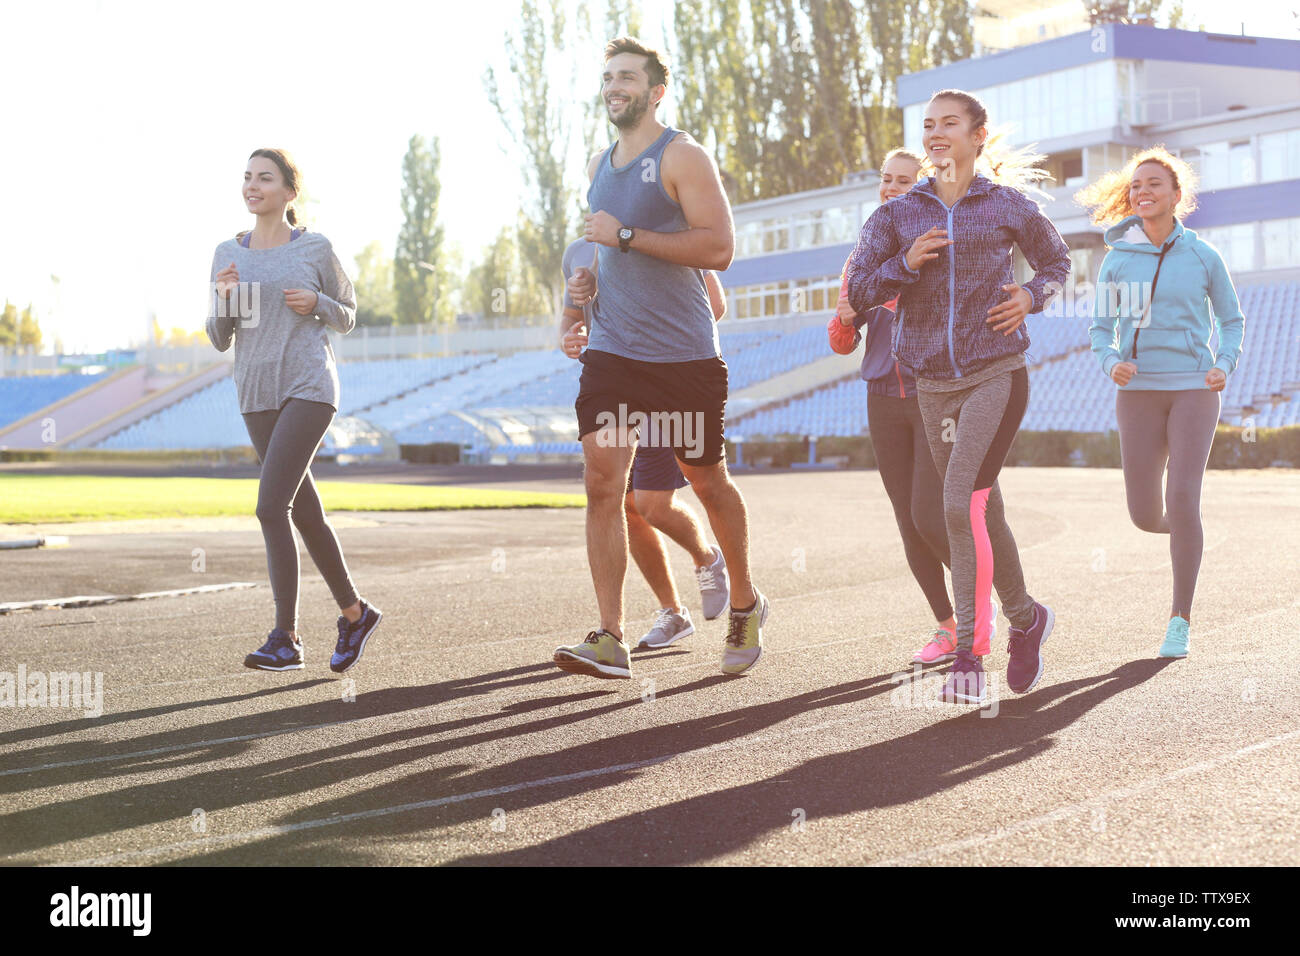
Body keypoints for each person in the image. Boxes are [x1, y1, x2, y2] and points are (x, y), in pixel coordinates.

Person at [845, 89, 1071, 705]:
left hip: (996, 373)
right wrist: (905, 264)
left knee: (955, 503)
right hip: (929, 384)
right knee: (981, 511)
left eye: (950, 123)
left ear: (977, 135)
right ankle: (1026, 618)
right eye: (928, 125)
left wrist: (1031, 296)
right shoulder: (897, 216)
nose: (936, 133)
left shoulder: (1005, 204)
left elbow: (1056, 260)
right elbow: (858, 289)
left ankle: (970, 656)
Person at [553, 36, 767, 680]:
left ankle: (747, 601)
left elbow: (719, 248)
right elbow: (603, 258)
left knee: (705, 481)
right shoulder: (598, 163)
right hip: (614, 355)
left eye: (628, 76)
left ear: (655, 90)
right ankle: (609, 636)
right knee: (602, 485)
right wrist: (577, 309)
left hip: (682, 359)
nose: (615, 85)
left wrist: (626, 235)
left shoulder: (682, 154)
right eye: (609, 76)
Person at [206, 148, 382, 674]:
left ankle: (285, 636)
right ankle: (355, 613)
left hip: (308, 386)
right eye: (247, 177)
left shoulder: (316, 247)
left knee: (269, 507)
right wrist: (225, 298)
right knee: (302, 510)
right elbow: (220, 338)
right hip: (256, 392)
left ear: (289, 191)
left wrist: (317, 303)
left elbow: (348, 315)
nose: (252, 185)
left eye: (264, 178)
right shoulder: (226, 252)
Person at [829, 148, 998, 665]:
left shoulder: (944, 243)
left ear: (924, 187)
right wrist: (843, 317)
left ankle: (980, 603)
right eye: (886, 179)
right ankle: (947, 627)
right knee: (908, 521)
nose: (891, 188)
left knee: (932, 515)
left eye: (904, 181)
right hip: (882, 399)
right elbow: (841, 341)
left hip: (937, 393)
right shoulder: (863, 255)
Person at [1078, 146, 1244, 658]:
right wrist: (1111, 364)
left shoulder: (1203, 256)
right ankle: (1186, 528)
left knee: (1183, 498)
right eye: (1136, 185)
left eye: (1154, 184)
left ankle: (1179, 620)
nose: (1143, 191)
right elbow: (1101, 330)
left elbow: (1231, 320)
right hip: (1138, 393)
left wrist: (1225, 362)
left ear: (1177, 196)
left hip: (1195, 387)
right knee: (1145, 513)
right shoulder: (1118, 259)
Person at [558, 236, 731, 648]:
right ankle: (671, 613)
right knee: (623, 504)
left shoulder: (668, 232)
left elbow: (714, 307)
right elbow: (569, 320)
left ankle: (707, 557)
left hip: (668, 378)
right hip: (614, 382)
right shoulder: (579, 252)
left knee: (652, 503)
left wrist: (651, 331)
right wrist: (569, 337)